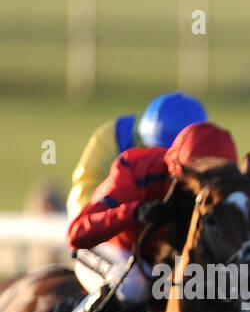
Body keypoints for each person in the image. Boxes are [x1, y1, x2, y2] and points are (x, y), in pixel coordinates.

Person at [17, 121, 239, 312]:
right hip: (106, 249)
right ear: (178, 168)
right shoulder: (134, 167)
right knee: (134, 284)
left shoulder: (221, 196)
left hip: (151, 259)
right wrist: (133, 212)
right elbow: (79, 232)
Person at [65, 91, 207, 219]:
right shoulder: (114, 138)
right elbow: (84, 192)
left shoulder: (212, 154)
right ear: (143, 140)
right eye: (157, 150)